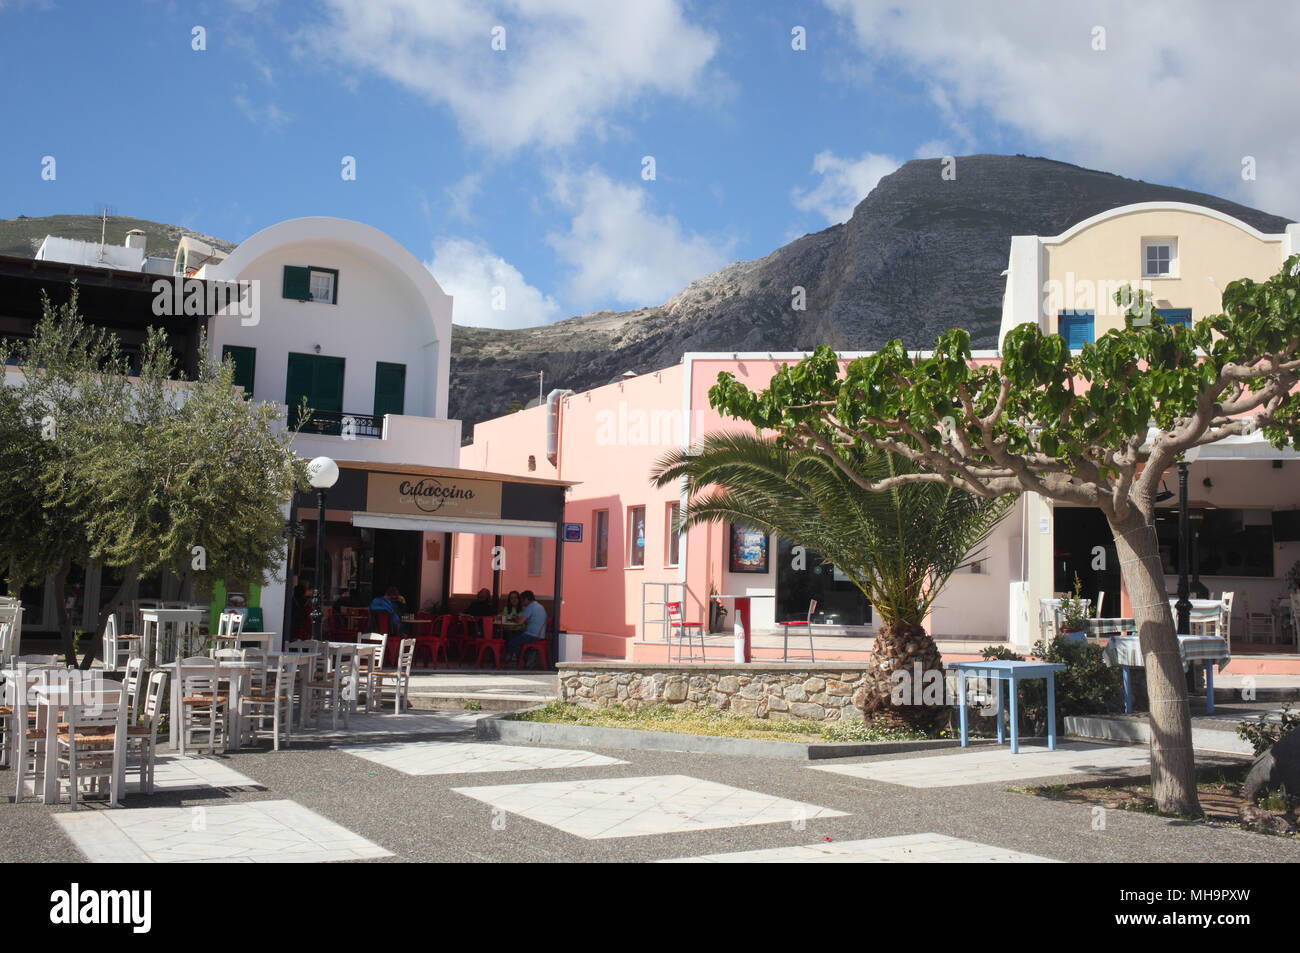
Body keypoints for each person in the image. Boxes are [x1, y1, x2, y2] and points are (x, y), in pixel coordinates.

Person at [506, 590, 547, 665]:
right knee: (518, 641)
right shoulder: (539, 606)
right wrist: (518, 618)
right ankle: (527, 657)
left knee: (512, 643)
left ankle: (527, 658)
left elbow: (520, 622)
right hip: (540, 635)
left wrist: (514, 618)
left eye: (522, 600)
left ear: (526, 599)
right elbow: (525, 620)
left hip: (532, 635)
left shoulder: (530, 607)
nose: (521, 602)